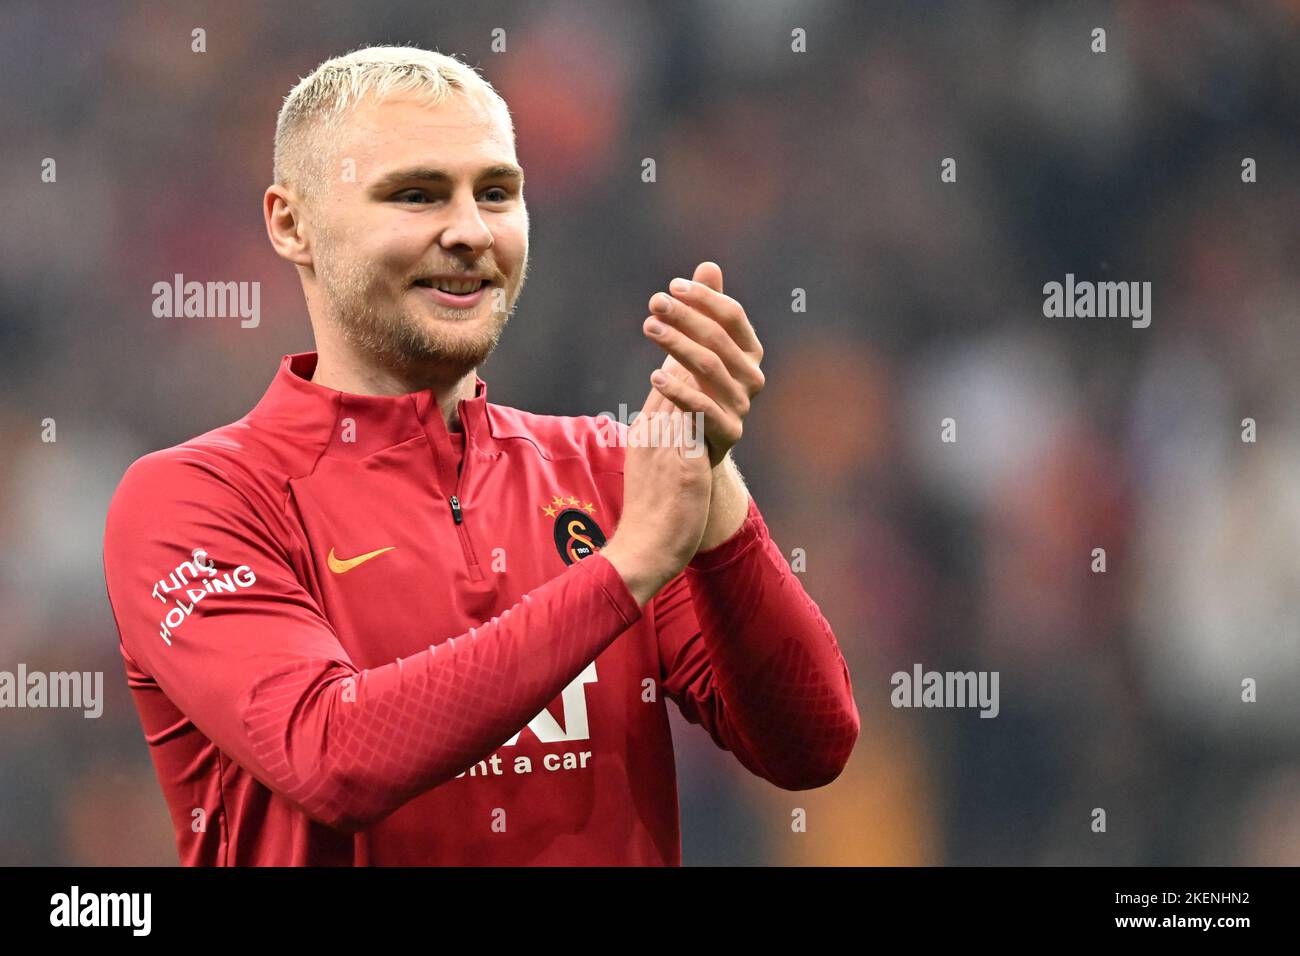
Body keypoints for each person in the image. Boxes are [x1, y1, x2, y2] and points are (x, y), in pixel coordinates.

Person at [102, 45, 859, 865]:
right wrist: (626, 566)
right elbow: (330, 757)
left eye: (496, 193)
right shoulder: (195, 502)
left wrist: (709, 477)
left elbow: (809, 746)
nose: (469, 231)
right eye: (417, 194)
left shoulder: (606, 473)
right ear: (293, 224)